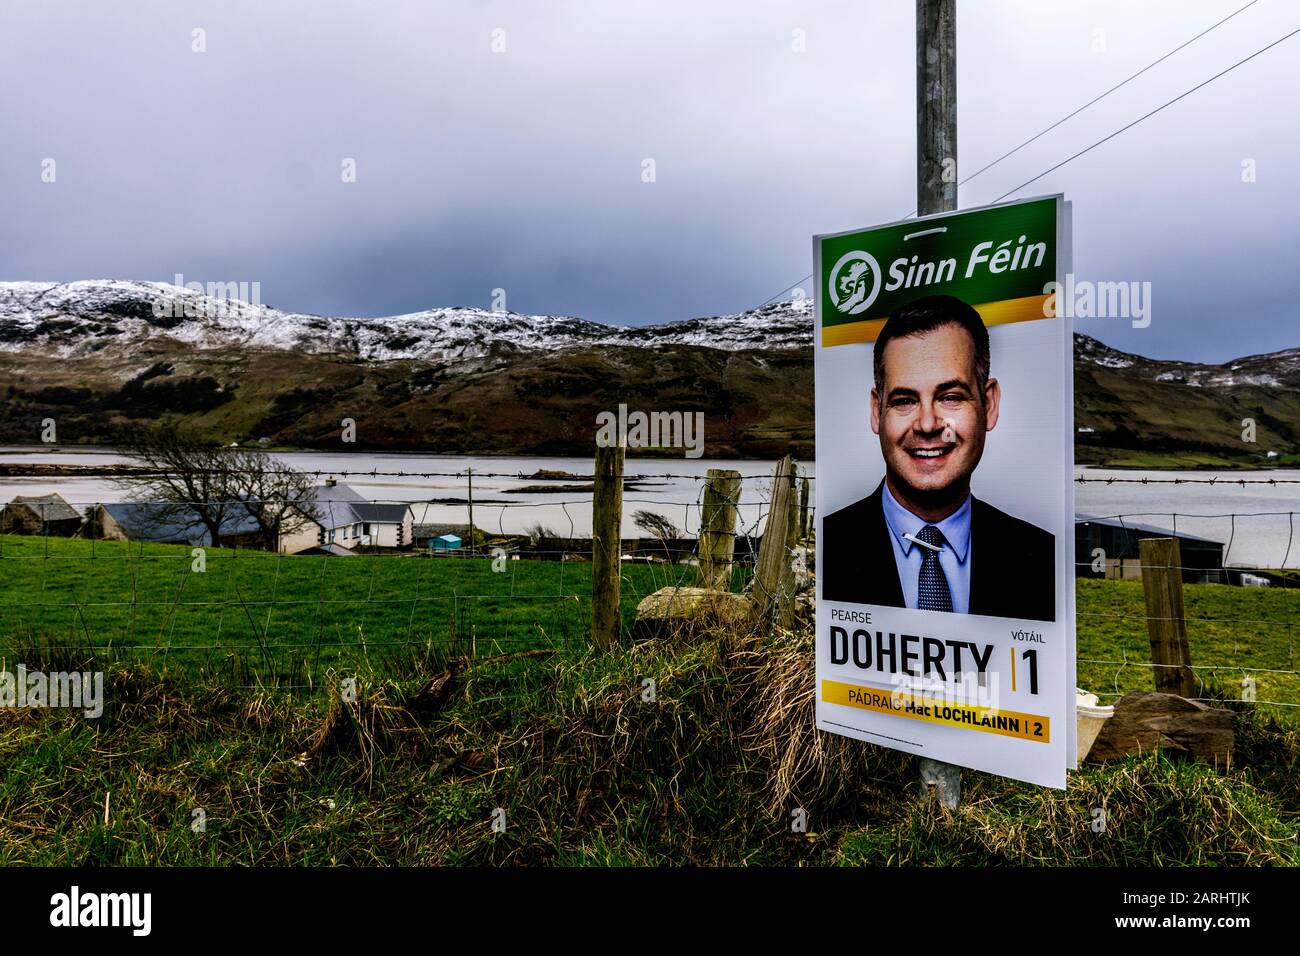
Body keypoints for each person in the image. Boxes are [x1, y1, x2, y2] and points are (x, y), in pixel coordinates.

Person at [821, 294, 1055, 621]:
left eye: (950, 397)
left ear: (989, 404)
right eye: (904, 401)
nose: (928, 424)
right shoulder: (824, 552)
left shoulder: (1044, 560)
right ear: (877, 411)